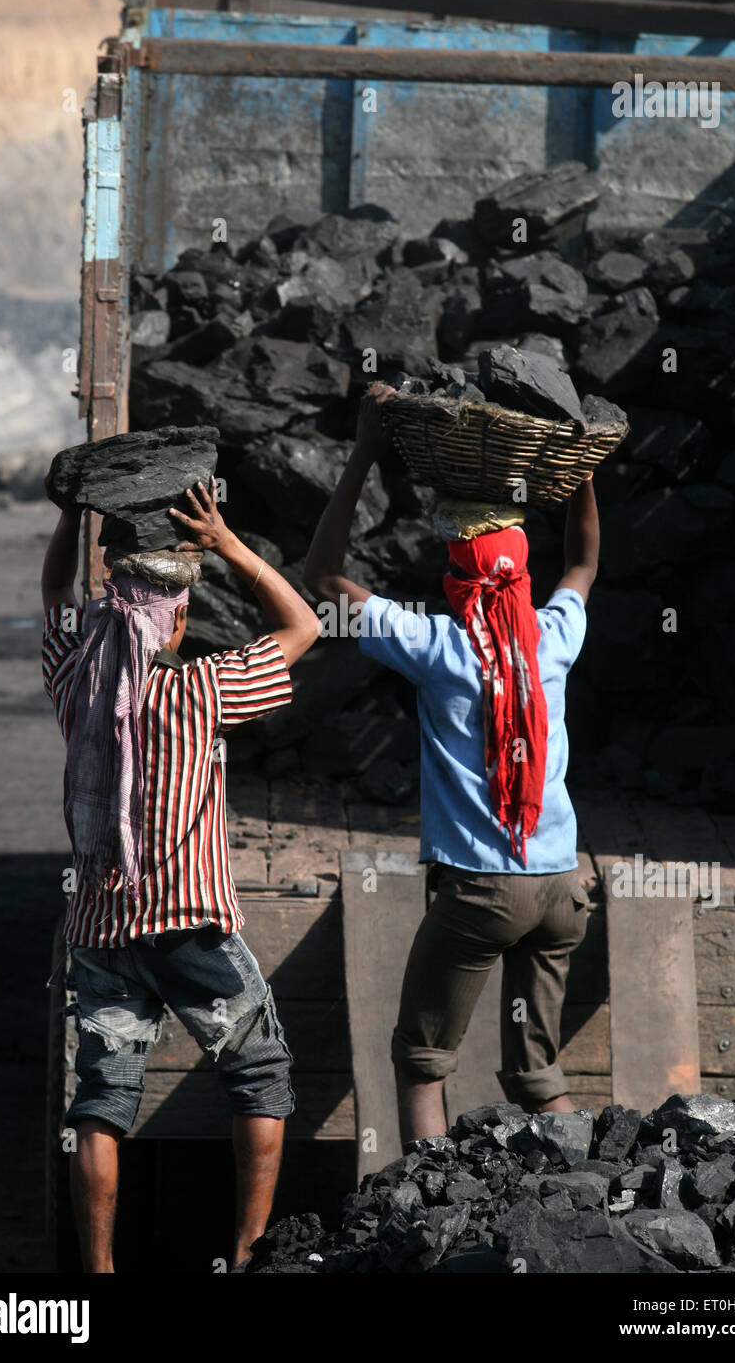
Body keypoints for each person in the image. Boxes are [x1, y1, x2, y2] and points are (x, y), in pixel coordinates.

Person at [304, 383, 599, 1148]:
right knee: (537, 1079)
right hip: (565, 884)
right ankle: (592, 1195)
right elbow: (585, 563)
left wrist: (367, 448)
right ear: (521, 574)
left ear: (458, 576)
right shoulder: (552, 638)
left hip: (481, 892)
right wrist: (581, 470)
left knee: (422, 1060)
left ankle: (425, 1207)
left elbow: (324, 578)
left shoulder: (437, 647)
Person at [41, 473, 320, 1271]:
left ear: (107, 608)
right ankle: (244, 1254)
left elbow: (53, 593)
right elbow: (303, 623)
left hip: (99, 935)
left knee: (100, 1106)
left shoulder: (73, 687)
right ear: (179, 617)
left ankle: (98, 1273)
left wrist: (69, 516)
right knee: (259, 1076)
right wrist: (228, 543)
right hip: (190, 931)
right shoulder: (201, 689)